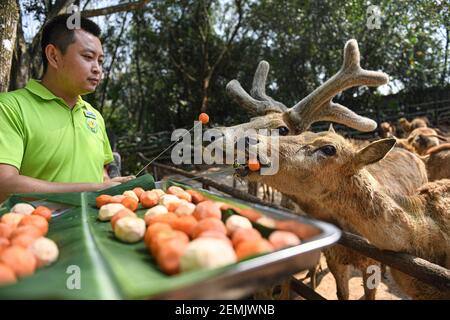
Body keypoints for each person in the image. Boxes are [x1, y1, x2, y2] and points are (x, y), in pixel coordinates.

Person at [0, 14, 134, 203]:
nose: (97, 68)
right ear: (54, 56)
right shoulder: (9, 108)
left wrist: (109, 184)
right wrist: (94, 189)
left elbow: (100, 171)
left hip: (95, 229)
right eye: (88, 57)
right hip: (34, 229)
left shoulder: (94, 116)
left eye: (100, 61)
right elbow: (5, 185)